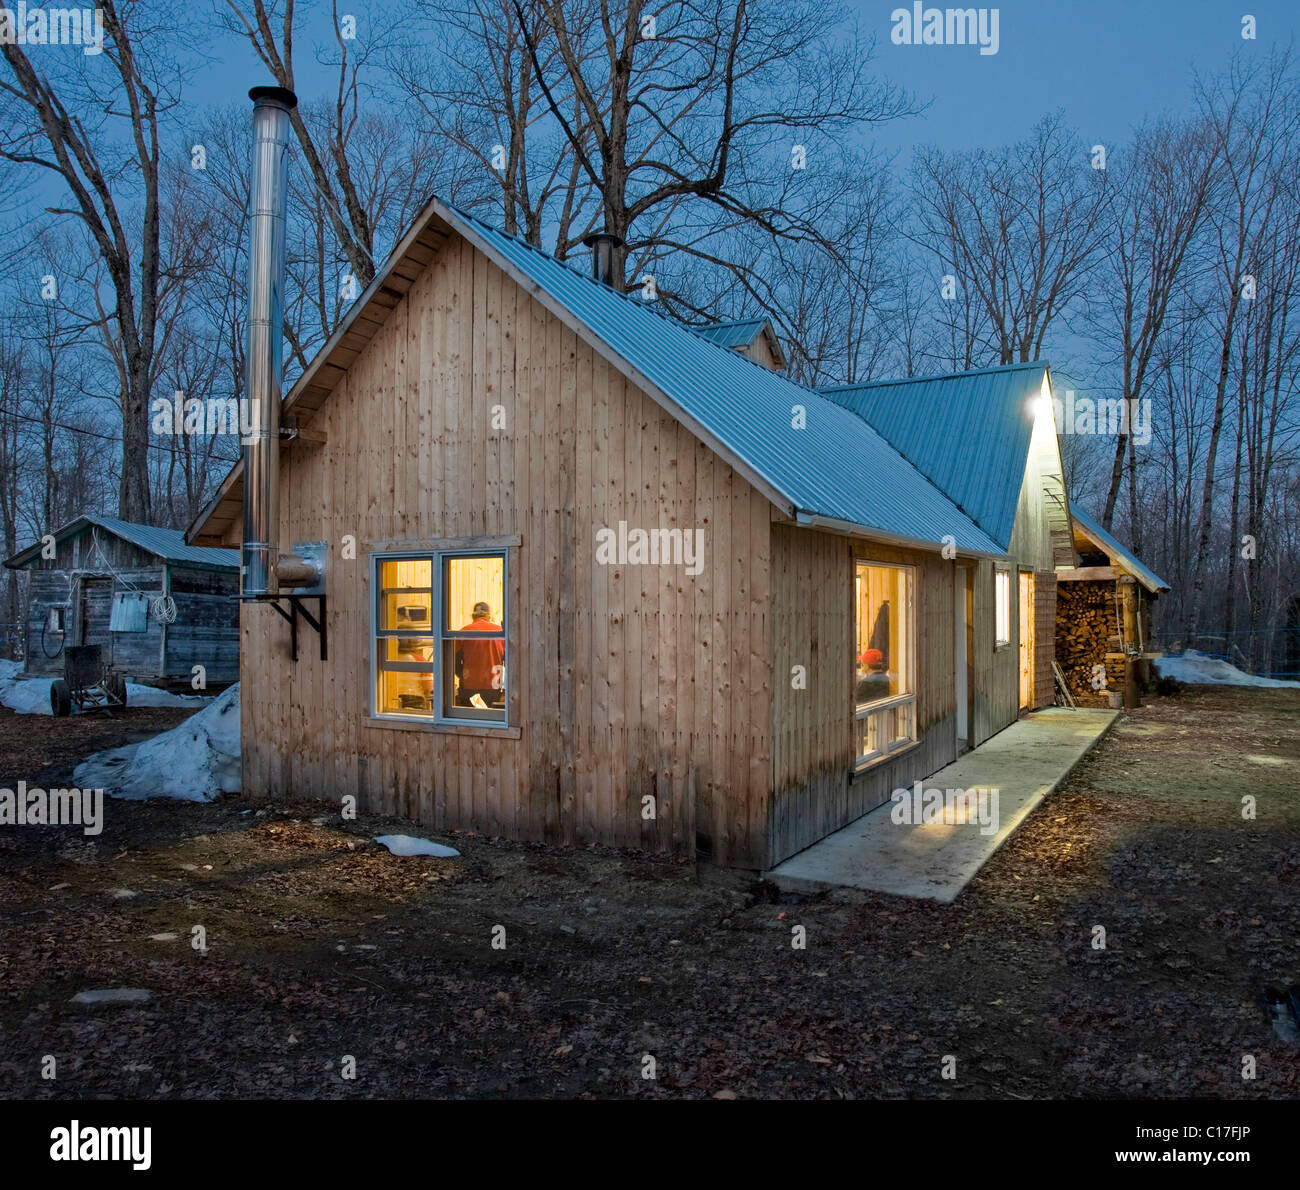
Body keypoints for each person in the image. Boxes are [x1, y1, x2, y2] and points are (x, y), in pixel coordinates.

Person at [454, 601, 505, 707]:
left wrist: (463, 676)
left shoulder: (463, 632)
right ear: (489, 616)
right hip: (493, 686)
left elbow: (455, 663)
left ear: (473, 616)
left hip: (469, 687)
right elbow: (508, 664)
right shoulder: (500, 632)